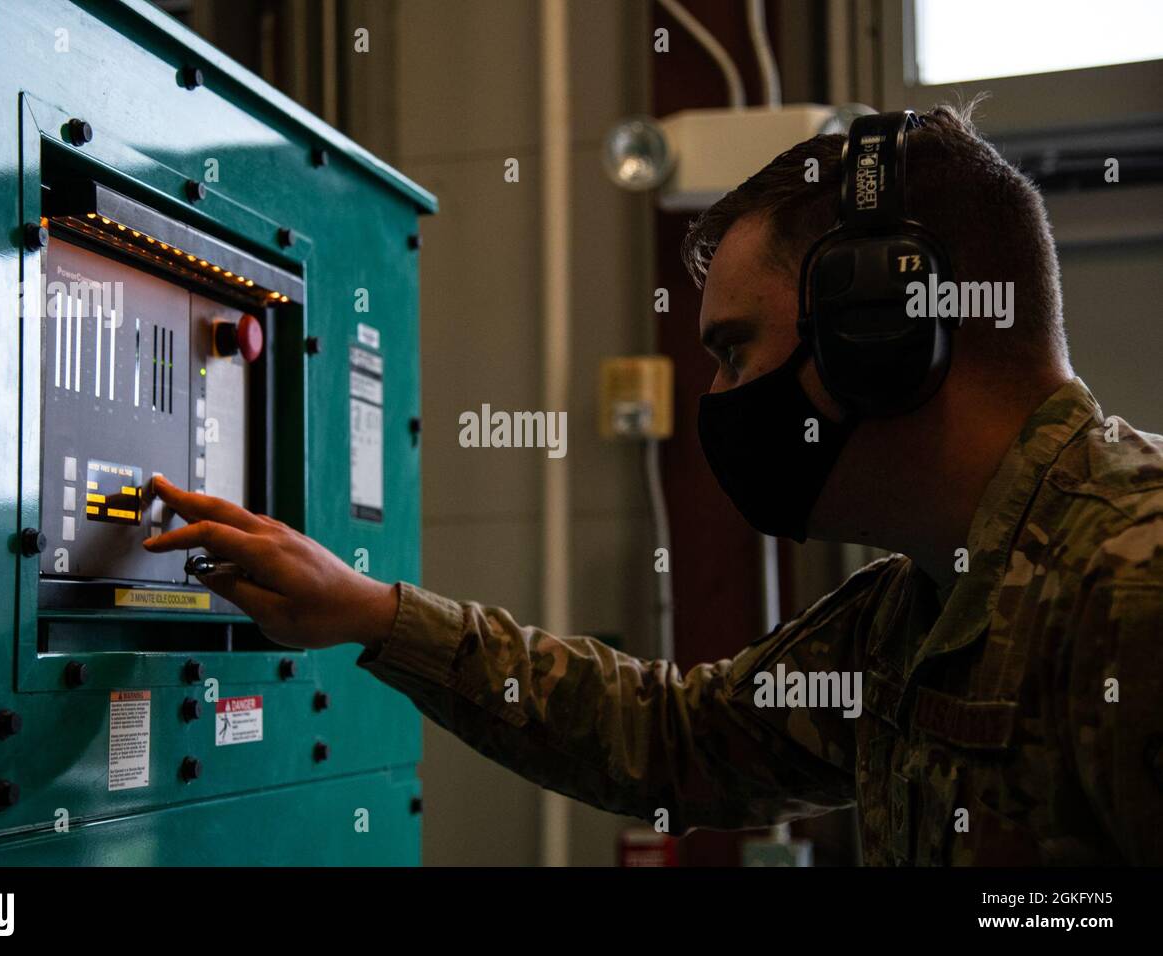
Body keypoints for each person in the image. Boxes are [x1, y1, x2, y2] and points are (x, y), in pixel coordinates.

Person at [144, 103, 1163, 866]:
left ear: (879, 332)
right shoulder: (919, 605)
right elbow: (679, 737)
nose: (716, 396)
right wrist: (368, 611)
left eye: (731, 349)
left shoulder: (1130, 588)